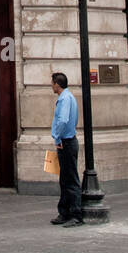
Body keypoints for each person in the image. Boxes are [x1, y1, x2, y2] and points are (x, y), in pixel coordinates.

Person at [50, 72, 82, 226]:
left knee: (70, 179)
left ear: (57, 84)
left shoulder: (64, 99)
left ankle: (76, 214)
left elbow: (63, 120)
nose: (51, 85)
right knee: (65, 178)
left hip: (66, 142)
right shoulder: (68, 97)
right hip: (68, 140)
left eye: (52, 83)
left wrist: (57, 137)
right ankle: (65, 212)